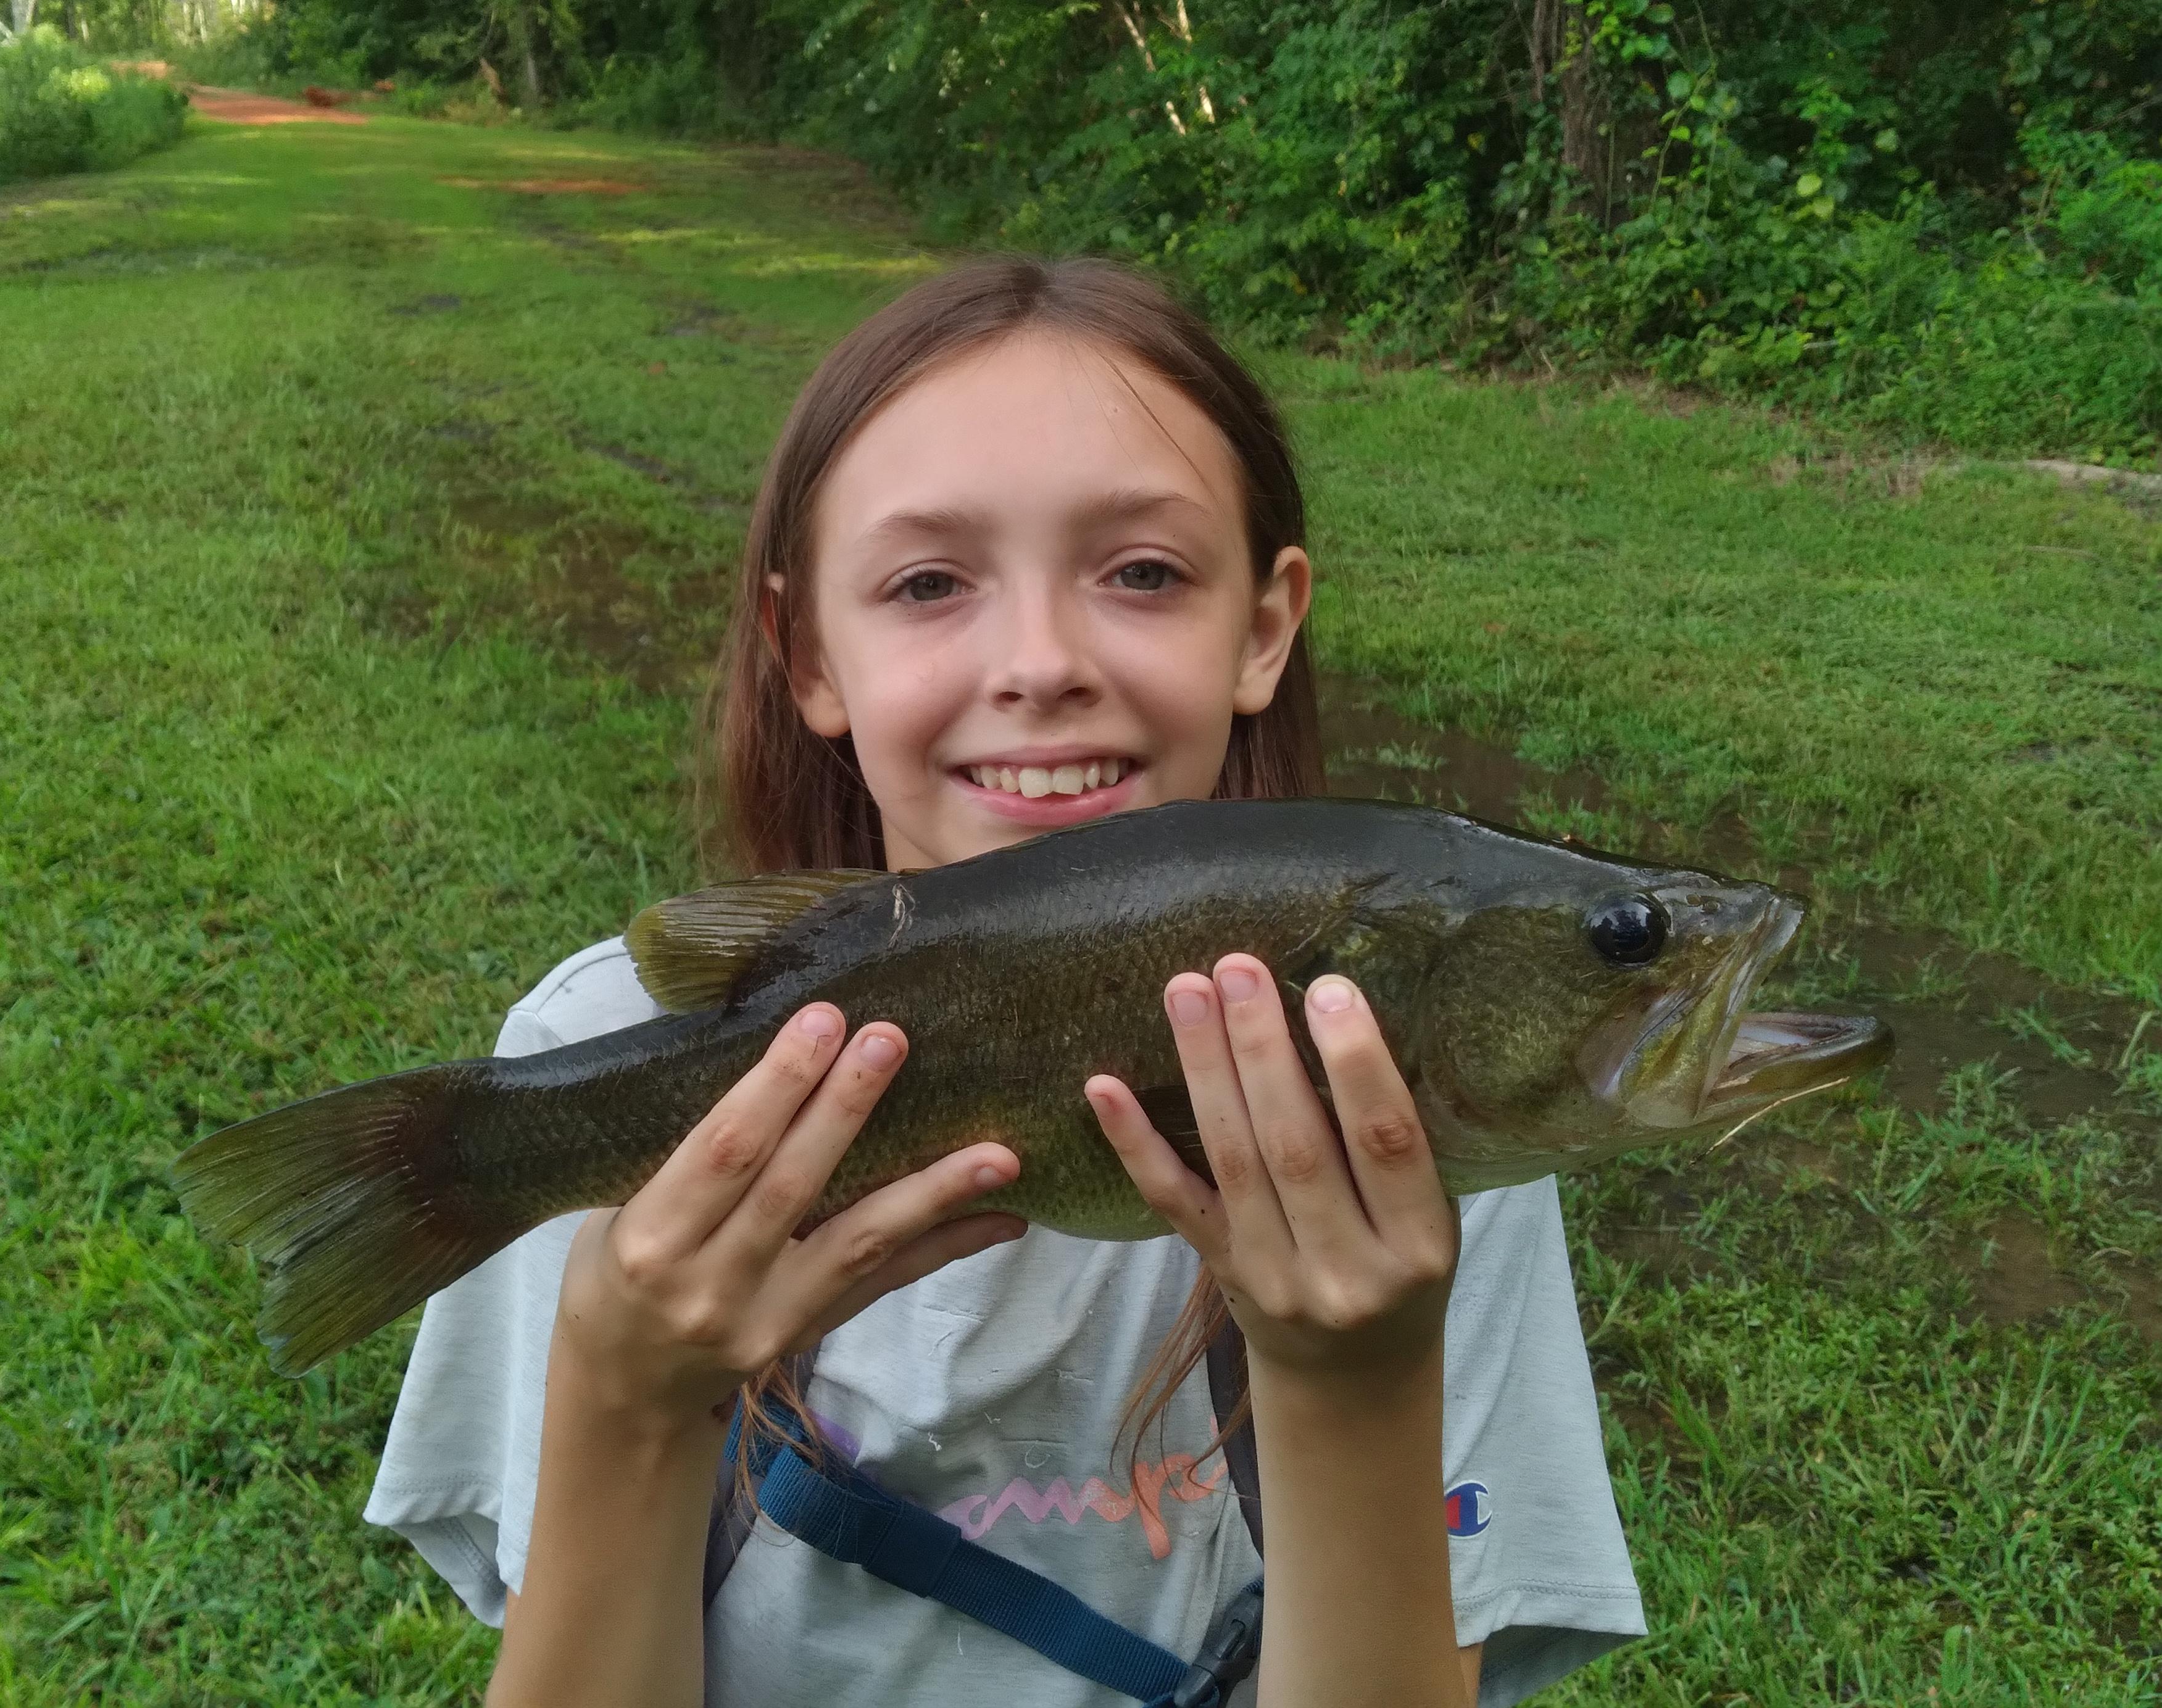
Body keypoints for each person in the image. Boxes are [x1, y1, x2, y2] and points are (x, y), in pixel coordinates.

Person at [365, 257, 1645, 1706]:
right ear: (808, 652)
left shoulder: (1383, 1144)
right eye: (928, 583)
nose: (1040, 663)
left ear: (1265, 627)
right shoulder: (615, 1050)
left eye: (1143, 573)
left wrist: (1348, 1381)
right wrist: (627, 1392)